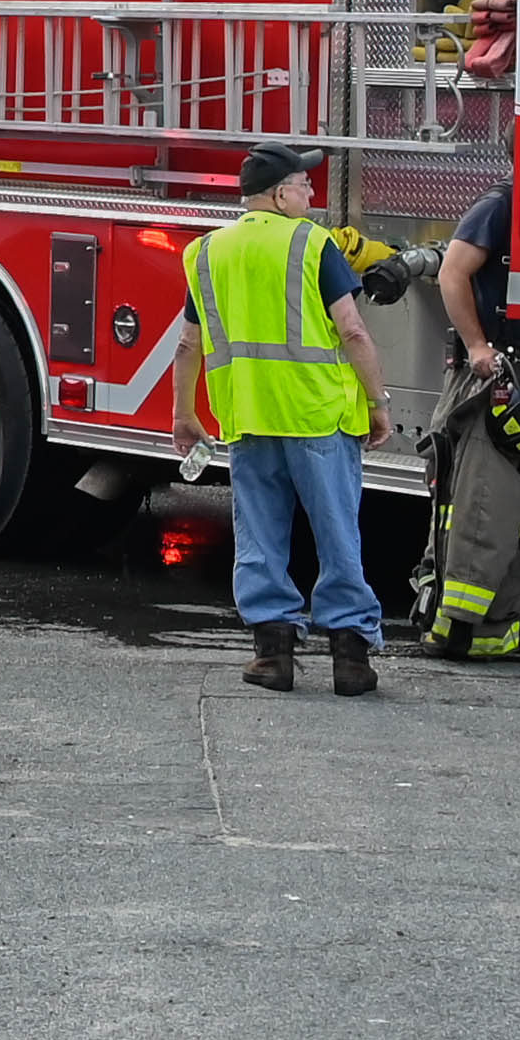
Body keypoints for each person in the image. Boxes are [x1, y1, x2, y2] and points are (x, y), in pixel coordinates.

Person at [174, 143, 392, 697]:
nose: (311, 193)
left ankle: (272, 655)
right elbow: (353, 330)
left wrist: (184, 412)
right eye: (303, 184)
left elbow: (188, 344)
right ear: (278, 196)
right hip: (318, 416)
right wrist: (378, 402)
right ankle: (350, 659)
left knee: (260, 536)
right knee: (337, 534)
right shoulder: (311, 243)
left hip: (249, 418)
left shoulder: (207, 252)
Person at [425, 179, 520, 659]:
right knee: (485, 505)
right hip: (496, 376)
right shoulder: (499, 205)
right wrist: (477, 346)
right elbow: (452, 272)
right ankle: (462, 628)